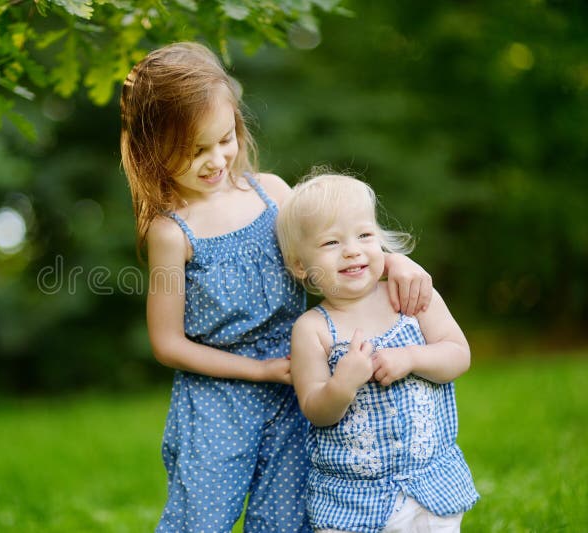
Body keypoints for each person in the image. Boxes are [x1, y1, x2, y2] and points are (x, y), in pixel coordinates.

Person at [119, 42, 434, 532]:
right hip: (217, 401)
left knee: (285, 520)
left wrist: (394, 263)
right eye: (195, 150)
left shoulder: (272, 194)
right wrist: (260, 369)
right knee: (200, 520)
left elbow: (332, 250)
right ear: (151, 149)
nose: (217, 158)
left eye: (224, 139)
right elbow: (167, 343)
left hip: (297, 385)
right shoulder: (171, 232)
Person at [276, 172, 479, 533]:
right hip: (350, 500)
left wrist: (412, 358)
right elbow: (314, 408)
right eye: (331, 242)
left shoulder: (409, 296)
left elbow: (458, 354)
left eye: (365, 235)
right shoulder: (312, 329)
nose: (352, 249)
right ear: (300, 265)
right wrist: (342, 385)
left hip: (428, 485)